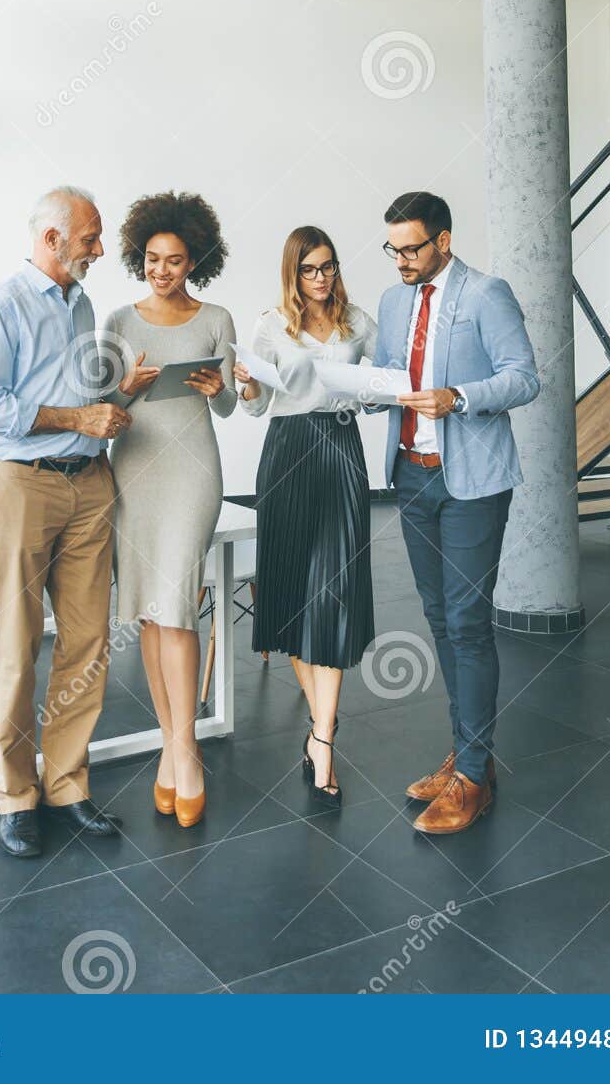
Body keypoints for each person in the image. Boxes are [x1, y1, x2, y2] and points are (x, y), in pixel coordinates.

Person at [0, 186, 132, 860]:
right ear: (52, 239)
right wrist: (75, 420)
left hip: (89, 483)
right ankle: (15, 793)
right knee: (17, 641)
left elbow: (77, 390)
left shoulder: (82, 302)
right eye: (90, 238)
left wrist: (115, 398)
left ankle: (65, 782)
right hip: (21, 486)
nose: (99, 250)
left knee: (88, 644)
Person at [373, 190, 539, 837]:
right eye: (393, 248)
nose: (401, 259)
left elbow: (523, 378)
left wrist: (460, 396)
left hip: (469, 483)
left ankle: (473, 777)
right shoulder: (392, 302)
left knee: (468, 622)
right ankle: (465, 753)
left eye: (411, 247)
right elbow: (391, 378)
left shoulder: (485, 294)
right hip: (410, 478)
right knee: (441, 619)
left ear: (443, 240)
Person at [102, 191, 236, 829]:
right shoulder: (118, 323)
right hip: (133, 470)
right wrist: (126, 387)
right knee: (152, 618)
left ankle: (187, 754)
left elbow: (234, 403)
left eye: (175, 260)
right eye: (153, 259)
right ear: (140, 257)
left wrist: (218, 388)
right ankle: (172, 748)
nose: (162, 270)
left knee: (177, 610)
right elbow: (99, 408)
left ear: (194, 261)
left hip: (192, 474)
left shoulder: (217, 318)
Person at [235, 226, 376, 807]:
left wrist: (368, 390)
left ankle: (322, 737)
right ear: (292, 273)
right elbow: (257, 405)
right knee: (293, 593)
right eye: (311, 271)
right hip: (287, 452)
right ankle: (324, 733)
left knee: (335, 594)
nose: (322, 280)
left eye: (329, 268)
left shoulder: (357, 322)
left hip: (341, 450)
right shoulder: (271, 325)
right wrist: (245, 387)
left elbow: (378, 385)